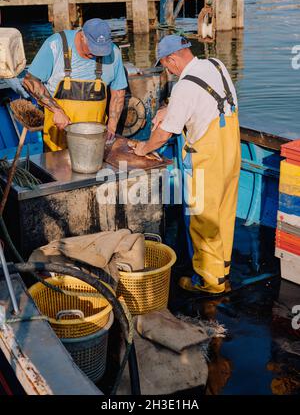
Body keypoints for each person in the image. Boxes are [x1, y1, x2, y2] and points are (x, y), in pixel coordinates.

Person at [132, 35, 241, 295]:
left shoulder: (184, 87)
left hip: (206, 159)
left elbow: (163, 135)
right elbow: (201, 101)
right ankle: (222, 270)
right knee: (224, 213)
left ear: (173, 58)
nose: (167, 72)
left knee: (202, 218)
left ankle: (209, 282)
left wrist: (143, 148)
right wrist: (168, 108)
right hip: (230, 154)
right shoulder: (215, 65)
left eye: (166, 66)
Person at [23, 18, 127, 151]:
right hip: (57, 140)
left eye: (102, 50)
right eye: (93, 48)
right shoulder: (56, 44)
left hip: (94, 141)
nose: (96, 53)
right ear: (82, 35)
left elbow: (118, 93)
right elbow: (30, 80)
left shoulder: (114, 53)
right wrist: (57, 110)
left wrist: (112, 127)